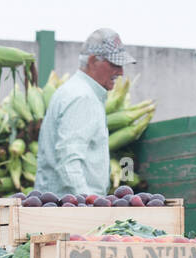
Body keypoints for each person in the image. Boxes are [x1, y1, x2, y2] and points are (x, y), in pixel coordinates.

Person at [34, 29, 135, 199]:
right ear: (93, 60)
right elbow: (69, 160)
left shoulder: (75, 91)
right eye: (114, 64)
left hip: (66, 205)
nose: (121, 72)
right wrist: (90, 202)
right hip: (71, 209)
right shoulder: (83, 97)